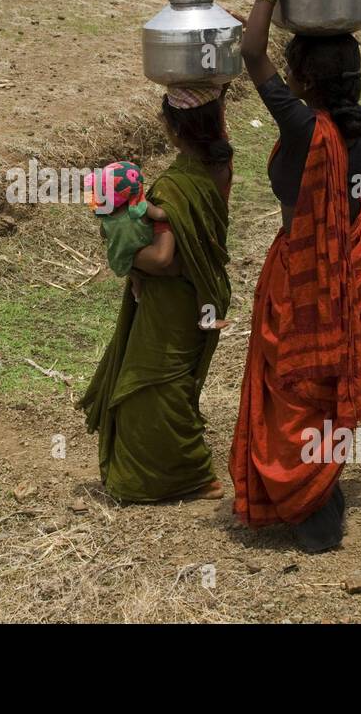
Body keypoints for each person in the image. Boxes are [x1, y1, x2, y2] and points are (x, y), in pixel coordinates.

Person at [228, 0, 361, 552]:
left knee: (293, 384)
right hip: (356, 267)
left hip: (306, 271)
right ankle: (320, 494)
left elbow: (252, 54)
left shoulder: (305, 125)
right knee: (327, 385)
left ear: (302, 80)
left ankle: (307, 501)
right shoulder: (359, 126)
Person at [78, 84, 233, 503]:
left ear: (174, 130)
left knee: (152, 385)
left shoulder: (174, 187)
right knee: (171, 380)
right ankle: (185, 473)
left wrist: (125, 256)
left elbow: (165, 261)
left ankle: (190, 477)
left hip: (175, 299)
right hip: (201, 295)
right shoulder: (219, 164)